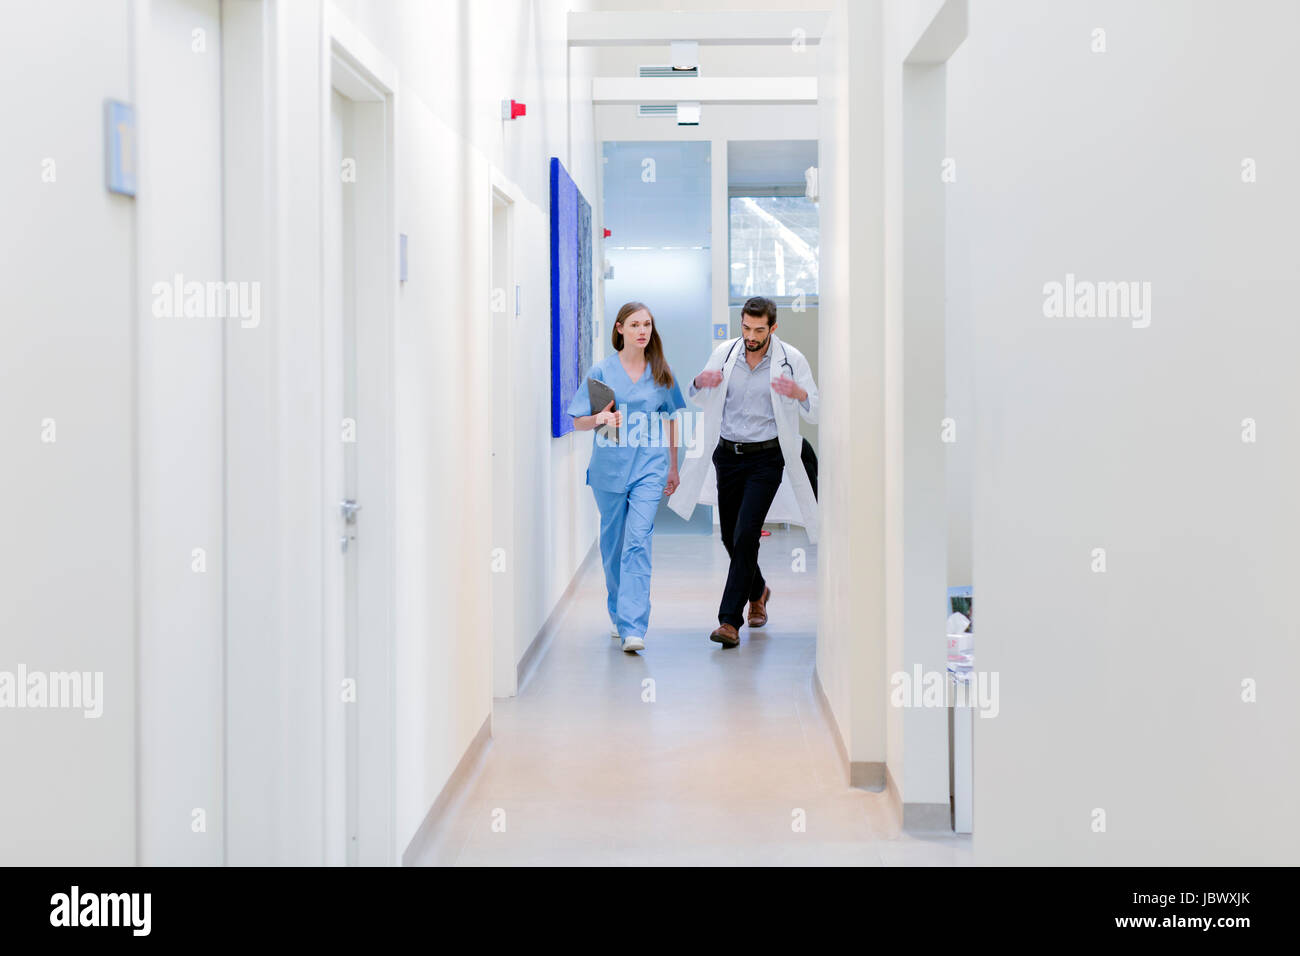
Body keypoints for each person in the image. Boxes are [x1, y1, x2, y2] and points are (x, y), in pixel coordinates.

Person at [667, 296, 819, 648]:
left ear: (773, 327)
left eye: (759, 330)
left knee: (747, 532)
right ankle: (759, 589)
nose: (751, 336)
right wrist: (699, 382)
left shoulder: (791, 360)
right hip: (728, 455)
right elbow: (698, 395)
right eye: (747, 328)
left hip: (767, 459)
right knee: (730, 537)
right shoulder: (725, 353)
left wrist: (799, 393)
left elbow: (815, 408)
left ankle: (729, 621)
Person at [567, 301, 686, 653]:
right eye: (634, 324)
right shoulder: (602, 372)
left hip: (649, 466)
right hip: (609, 470)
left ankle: (634, 626)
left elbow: (671, 419)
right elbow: (577, 421)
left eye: (647, 324)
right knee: (614, 546)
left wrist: (673, 466)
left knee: (638, 541)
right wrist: (600, 419)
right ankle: (620, 614)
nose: (642, 331)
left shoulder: (661, 372)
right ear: (620, 329)